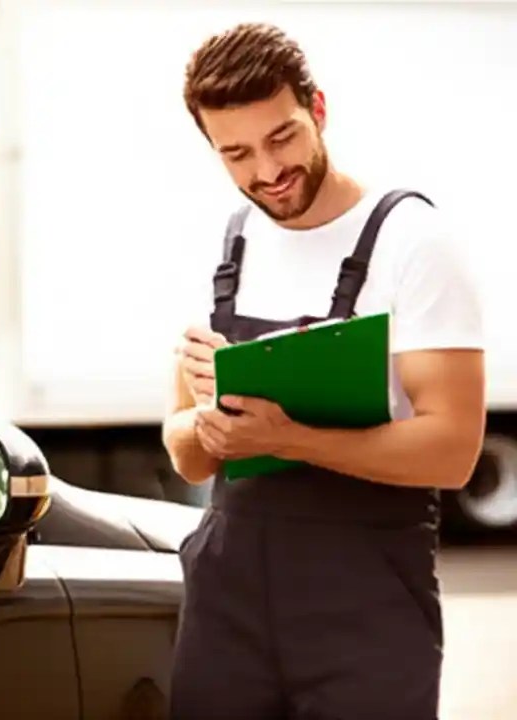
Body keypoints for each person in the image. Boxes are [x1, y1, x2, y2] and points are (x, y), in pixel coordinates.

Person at [162, 21, 487, 720]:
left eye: (282, 137)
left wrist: (283, 438)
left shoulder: (410, 240)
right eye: (237, 154)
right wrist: (210, 422)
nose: (267, 172)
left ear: (318, 109)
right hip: (229, 602)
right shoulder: (228, 245)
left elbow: (454, 450)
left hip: (366, 605)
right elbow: (184, 452)